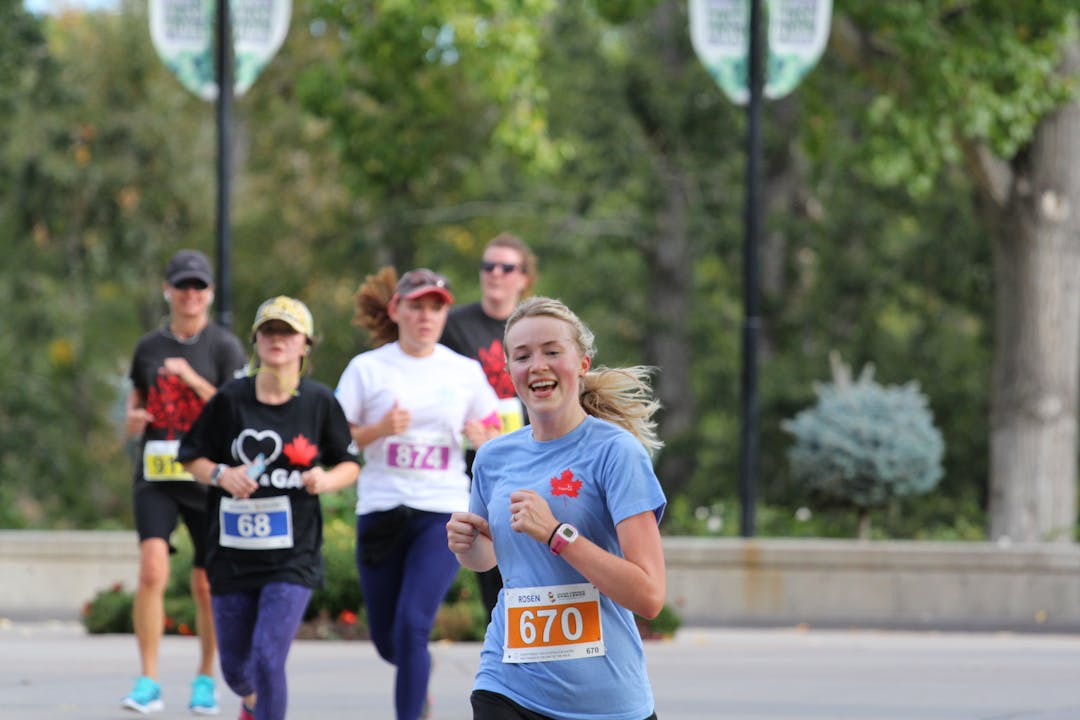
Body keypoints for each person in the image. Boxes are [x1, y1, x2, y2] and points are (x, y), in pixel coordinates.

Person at [446, 296, 667, 720]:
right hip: (507, 684)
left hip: (604, 699)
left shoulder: (616, 453)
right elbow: (489, 556)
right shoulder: (493, 457)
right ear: (508, 371)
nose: (537, 365)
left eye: (552, 351)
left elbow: (649, 595)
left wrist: (556, 535)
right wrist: (466, 544)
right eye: (522, 356)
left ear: (581, 363)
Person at [178, 296, 361, 720]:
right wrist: (222, 473)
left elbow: (349, 462)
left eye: (287, 332)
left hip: (291, 556)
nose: (277, 340)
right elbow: (191, 456)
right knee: (237, 671)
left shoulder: (318, 402)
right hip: (231, 554)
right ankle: (254, 705)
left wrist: (326, 479)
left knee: (266, 659)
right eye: (269, 331)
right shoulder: (230, 399)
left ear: (304, 345)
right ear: (256, 341)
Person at [335, 267, 502, 720]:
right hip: (381, 507)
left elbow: (496, 432)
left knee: (412, 627)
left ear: (445, 314)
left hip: (441, 510)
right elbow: (336, 440)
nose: (426, 316)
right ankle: (417, 678)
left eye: (436, 307)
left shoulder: (464, 371)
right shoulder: (367, 369)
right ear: (397, 310)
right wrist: (379, 430)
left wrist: (481, 436)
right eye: (416, 306)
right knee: (389, 641)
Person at [122, 249, 247, 715]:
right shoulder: (148, 347)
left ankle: (204, 679)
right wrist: (132, 420)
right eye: (182, 286)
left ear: (210, 293)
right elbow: (136, 404)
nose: (190, 295)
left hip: (207, 477)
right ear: (168, 291)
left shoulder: (224, 347)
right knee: (152, 567)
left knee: (205, 584)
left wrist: (193, 378)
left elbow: (236, 409)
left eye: (198, 287)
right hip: (156, 473)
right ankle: (148, 680)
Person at [439, 233, 538, 620]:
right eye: (488, 266)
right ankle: (502, 647)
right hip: (475, 462)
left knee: (530, 556)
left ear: (524, 277)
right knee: (489, 564)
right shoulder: (454, 326)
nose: (495, 274)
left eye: (506, 267)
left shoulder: (534, 324)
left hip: (530, 457)